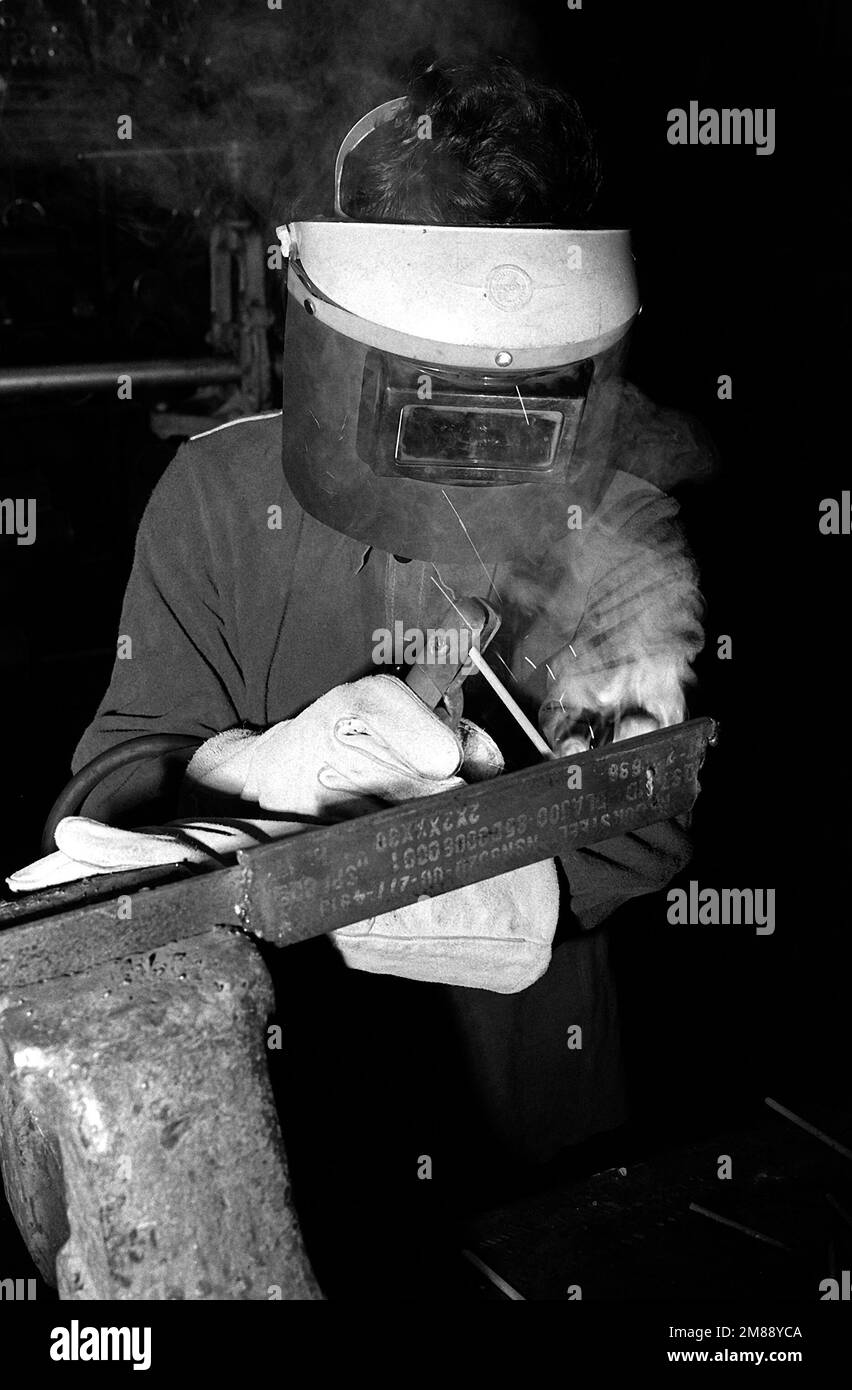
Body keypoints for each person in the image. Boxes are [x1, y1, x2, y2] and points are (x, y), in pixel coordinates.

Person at [9, 59, 703, 1295]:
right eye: (430, 392)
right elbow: (110, 786)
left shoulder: (622, 516)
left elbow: (657, 821)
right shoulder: (217, 496)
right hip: (283, 1095)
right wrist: (252, 774)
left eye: (516, 394)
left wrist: (489, 849)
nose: (474, 439)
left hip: (534, 1107)